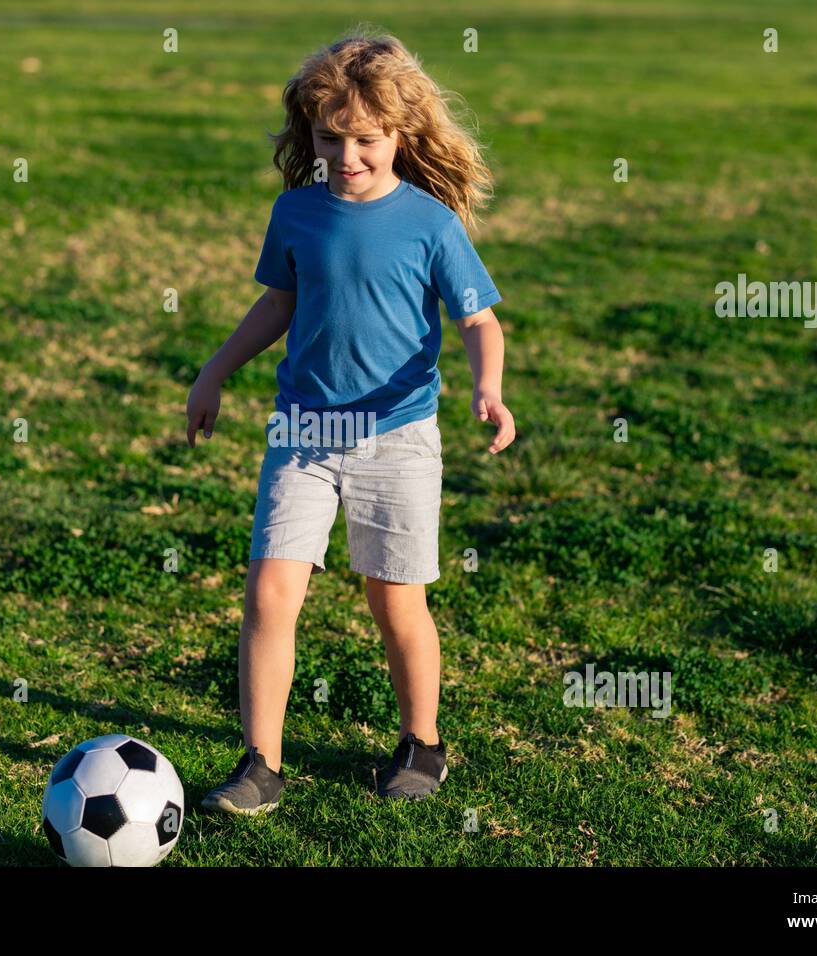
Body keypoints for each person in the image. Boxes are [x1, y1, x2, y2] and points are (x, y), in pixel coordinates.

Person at [186, 29, 514, 815]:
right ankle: (260, 766)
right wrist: (215, 370)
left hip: (399, 435)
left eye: (366, 138)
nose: (347, 154)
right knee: (269, 593)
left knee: (393, 599)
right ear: (310, 132)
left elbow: (479, 321)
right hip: (302, 431)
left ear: (401, 134)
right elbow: (278, 304)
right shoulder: (295, 212)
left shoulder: (431, 223)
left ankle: (422, 743)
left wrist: (488, 388)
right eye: (330, 137)